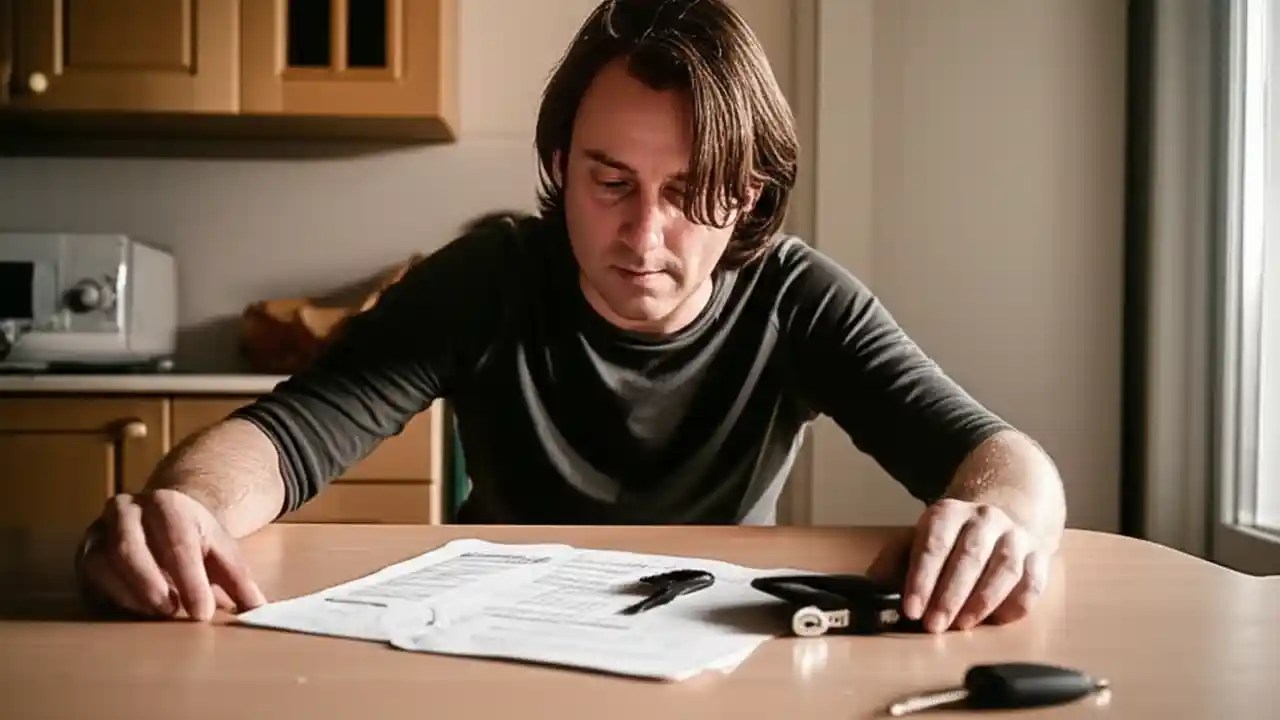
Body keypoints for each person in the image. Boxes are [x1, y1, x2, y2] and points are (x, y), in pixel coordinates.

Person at [74, 0, 1065, 635]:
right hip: (486, 652)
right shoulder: (489, 276)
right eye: (609, 181)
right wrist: (192, 507)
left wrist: (998, 520)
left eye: (692, 191)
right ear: (558, 164)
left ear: (753, 198)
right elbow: (284, 435)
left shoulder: (800, 300)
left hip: (715, 652)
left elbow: (1001, 459)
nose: (644, 232)